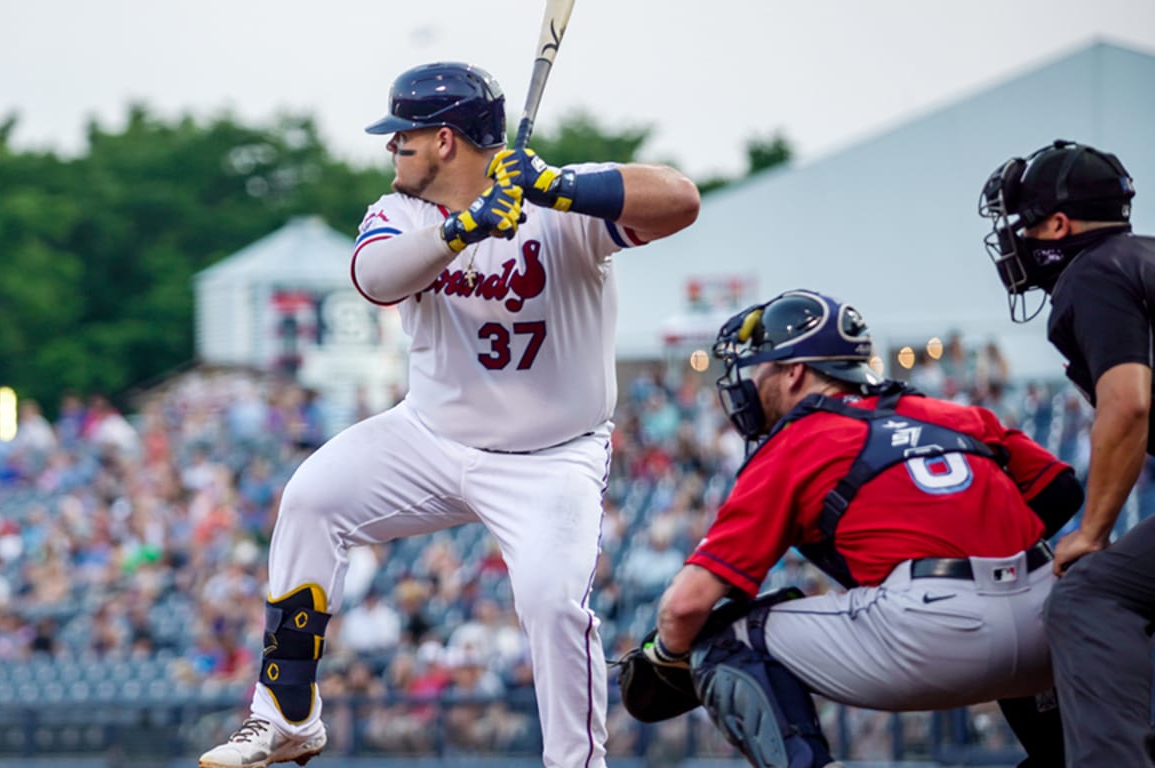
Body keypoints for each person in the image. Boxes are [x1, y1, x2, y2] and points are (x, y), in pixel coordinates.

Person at [198, 61, 700, 768]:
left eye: (402, 135)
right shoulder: (400, 211)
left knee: (553, 605)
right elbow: (374, 278)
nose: (390, 148)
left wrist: (558, 187)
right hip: (430, 437)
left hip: (551, 456)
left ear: (443, 140)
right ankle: (285, 716)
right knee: (311, 499)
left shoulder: (560, 204)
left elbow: (681, 198)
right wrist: (463, 228)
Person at [645, 290, 1083, 768]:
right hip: (1049, 624)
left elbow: (685, 605)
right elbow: (1061, 489)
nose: (750, 383)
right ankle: (1066, 756)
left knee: (725, 640)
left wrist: (664, 657)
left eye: (760, 369)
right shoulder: (952, 413)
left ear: (795, 372)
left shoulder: (796, 442)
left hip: (931, 633)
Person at [979, 138, 1152, 766]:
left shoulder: (1094, 271)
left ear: (1058, 224)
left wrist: (1095, 531)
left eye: (1025, 224)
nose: (1017, 241)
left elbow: (1129, 403)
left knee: (1089, 594)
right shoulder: (1143, 258)